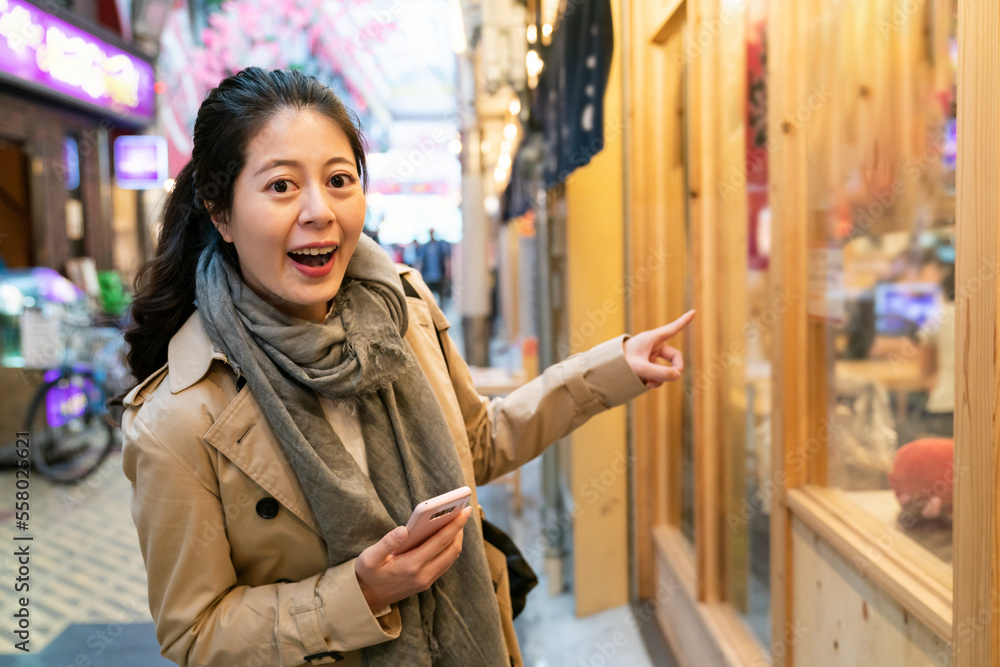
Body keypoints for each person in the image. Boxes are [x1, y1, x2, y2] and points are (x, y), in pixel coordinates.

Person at [121, 68, 694, 667]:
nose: (319, 210)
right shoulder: (177, 421)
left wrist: (608, 369)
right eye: (282, 186)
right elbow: (196, 633)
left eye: (339, 180)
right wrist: (358, 595)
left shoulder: (403, 311)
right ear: (221, 214)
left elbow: (475, 444)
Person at [418, 229, 450, 304]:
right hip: (428, 276)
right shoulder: (425, 247)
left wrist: (447, 272)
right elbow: (420, 261)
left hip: (439, 276)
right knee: (429, 297)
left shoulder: (439, 246)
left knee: (441, 296)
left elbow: (445, 259)